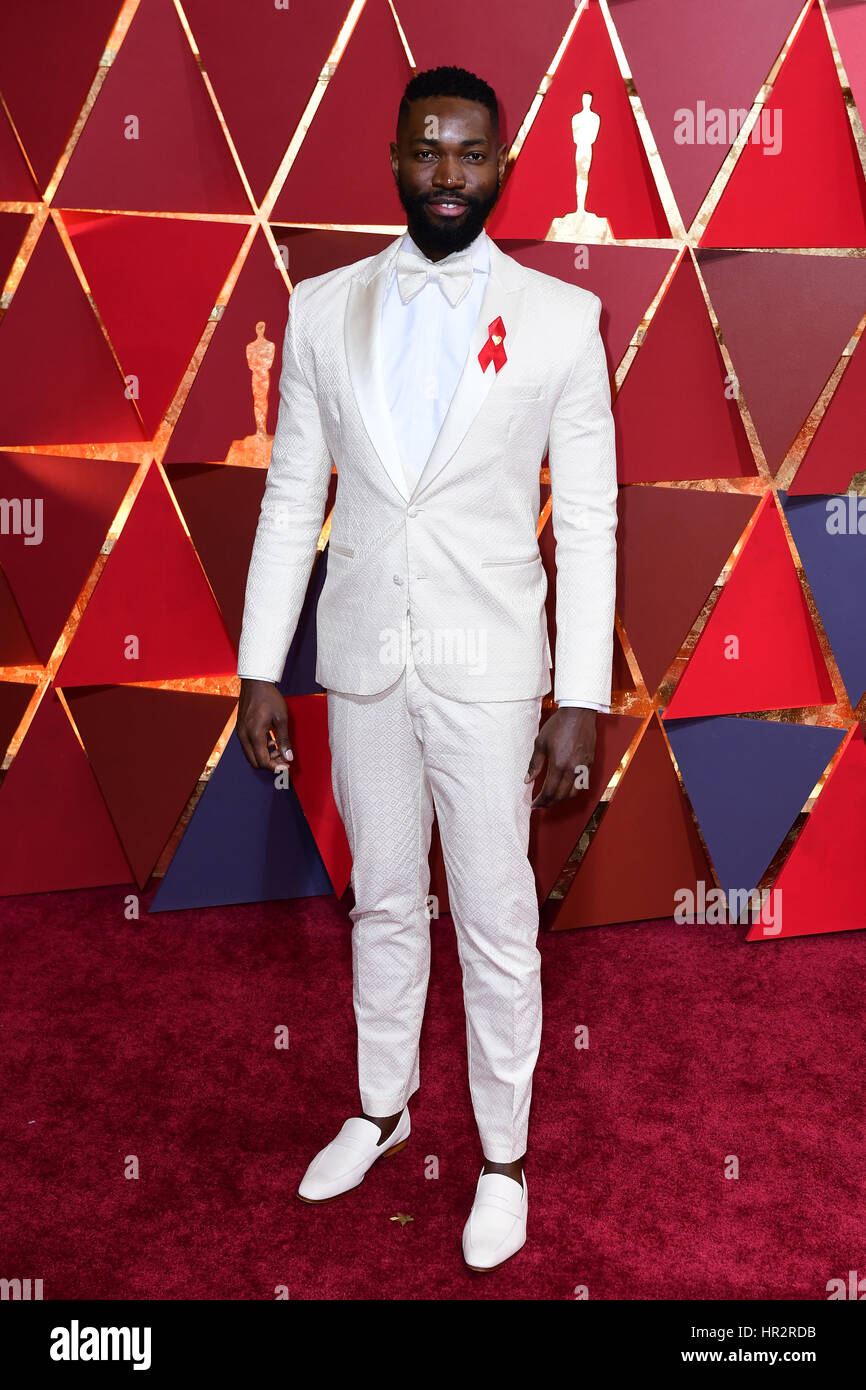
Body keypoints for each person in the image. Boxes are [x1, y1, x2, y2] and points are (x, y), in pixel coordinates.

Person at [235, 65, 618, 1273]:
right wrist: (258, 667)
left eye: (468, 154)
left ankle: (501, 1159)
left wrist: (580, 695)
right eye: (425, 151)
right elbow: (295, 490)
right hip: (358, 661)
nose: (445, 173)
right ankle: (382, 1107)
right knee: (384, 897)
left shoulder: (562, 320)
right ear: (392, 160)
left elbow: (594, 519)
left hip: (493, 667)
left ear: (500, 166)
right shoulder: (317, 309)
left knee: (498, 918)